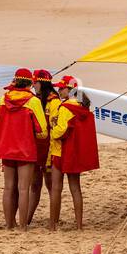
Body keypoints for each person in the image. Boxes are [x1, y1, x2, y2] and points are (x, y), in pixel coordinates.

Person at [0, 68, 48, 231]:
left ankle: (9, 224)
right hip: (25, 150)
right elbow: (42, 131)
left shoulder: (4, 99)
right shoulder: (33, 102)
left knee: (8, 188)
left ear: (15, 81)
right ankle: (22, 227)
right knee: (23, 188)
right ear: (29, 83)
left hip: (6, 148)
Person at [48, 86, 99, 230]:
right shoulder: (83, 109)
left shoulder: (65, 107)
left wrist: (53, 126)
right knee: (76, 188)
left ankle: (53, 225)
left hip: (60, 152)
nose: (59, 91)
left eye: (62, 89)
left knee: (56, 188)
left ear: (69, 91)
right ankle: (79, 225)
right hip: (74, 153)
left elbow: (60, 131)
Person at [25, 69, 56, 224]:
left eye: (35, 82)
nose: (33, 85)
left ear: (41, 83)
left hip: (50, 150)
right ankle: (27, 220)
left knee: (51, 186)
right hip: (35, 149)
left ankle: (53, 220)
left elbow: (55, 128)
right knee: (35, 185)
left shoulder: (53, 101)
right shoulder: (33, 100)